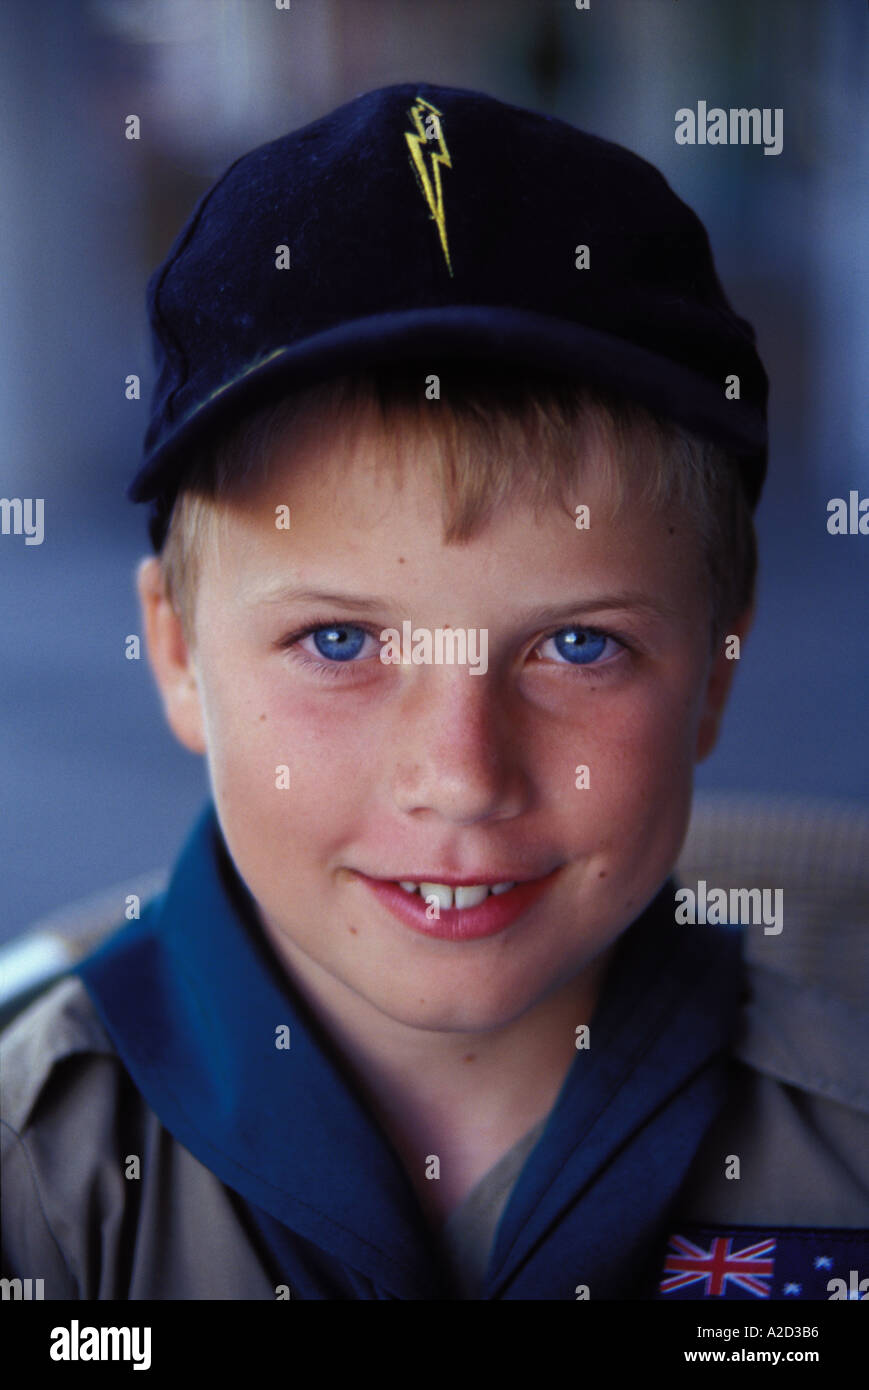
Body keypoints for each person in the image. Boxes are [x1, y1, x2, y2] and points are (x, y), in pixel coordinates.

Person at [2, 83, 867, 1302]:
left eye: (575, 647)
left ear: (717, 663)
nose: (460, 774)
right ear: (181, 652)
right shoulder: (34, 1183)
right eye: (340, 639)